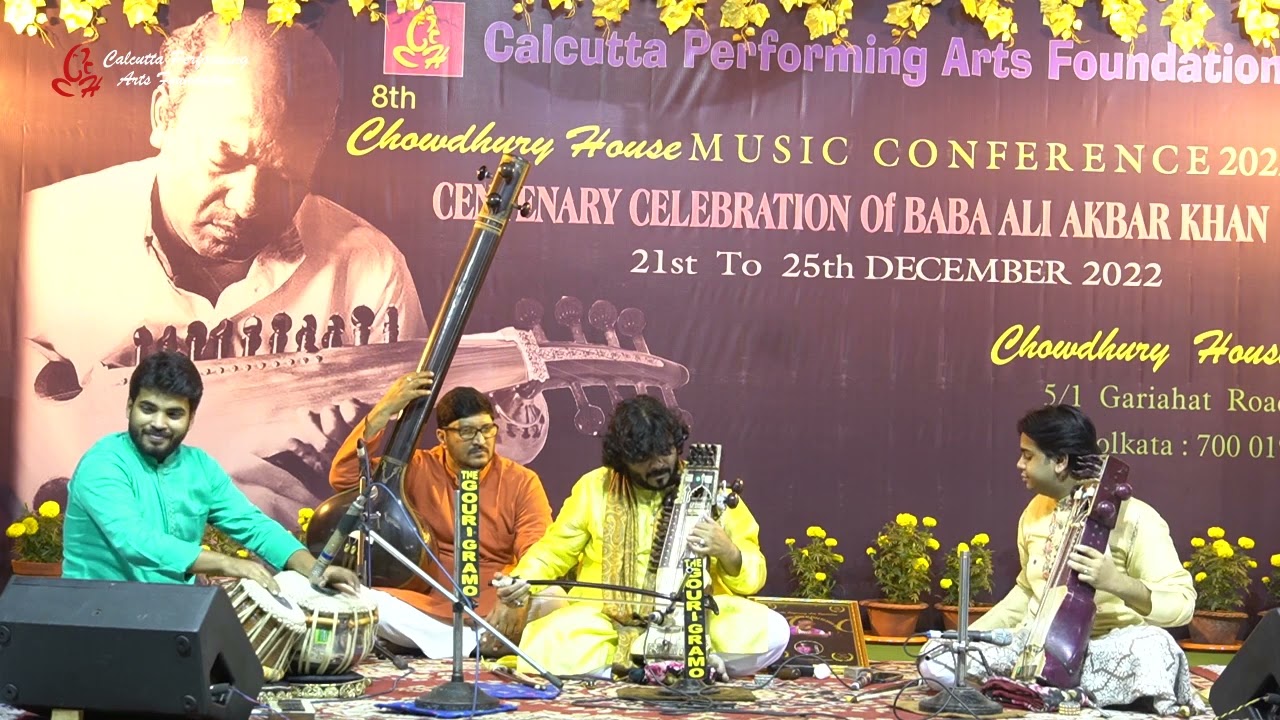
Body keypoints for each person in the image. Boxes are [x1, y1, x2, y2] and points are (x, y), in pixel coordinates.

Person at [15, 8, 428, 521]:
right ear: (163, 116)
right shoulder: (35, 237)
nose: (249, 203)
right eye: (226, 159)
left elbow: (398, 475)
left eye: (286, 177)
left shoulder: (370, 269)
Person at [920, 404, 1202, 715]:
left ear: (1060, 461)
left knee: (1156, 648)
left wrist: (1117, 583)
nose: (1019, 464)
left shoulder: (1135, 518)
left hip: (1106, 648)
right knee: (935, 657)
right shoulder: (1035, 511)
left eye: (1028, 456)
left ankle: (1031, 691)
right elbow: (1027, 591)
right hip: (1035, 647)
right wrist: (965, 638)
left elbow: (1181, 605)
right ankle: (1057, 693)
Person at [494, 394, 790, 680]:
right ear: (622, 459)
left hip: (692, 622)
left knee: (773, 631)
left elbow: (754, 574)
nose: (658, 464)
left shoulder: (707, 489)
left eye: (665, 452)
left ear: (676, 446)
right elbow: (553, 551)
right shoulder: (595, 487)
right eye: (644, 458)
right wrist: (522, 580)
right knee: (546, 643)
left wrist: (728, 552)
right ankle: (668, 665)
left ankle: (643, 667)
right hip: (606, 625)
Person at [62, 350, 362, 595]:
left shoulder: (200, 467)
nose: (158, 423)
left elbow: (253, 525)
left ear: (191, 419)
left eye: (173, 414)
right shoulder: (103, 464)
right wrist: (230, 564)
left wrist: (314, 569)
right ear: (130, 407)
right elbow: (134, 540)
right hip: (97, 615)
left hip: (171, 615)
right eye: (148, 409)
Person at [328, 374, 556, 659]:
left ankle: (447, 642)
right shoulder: (416, 468)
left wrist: (516, 594)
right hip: (428, 603)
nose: (480, 441)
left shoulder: (521, 480)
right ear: (442, 437)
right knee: (354, 598)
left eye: (487, 430)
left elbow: (537, 549)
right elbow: (345, 477)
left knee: (554, 598)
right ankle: (472, 645)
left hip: (495, 603)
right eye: (467, 432)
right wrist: (384, 411)